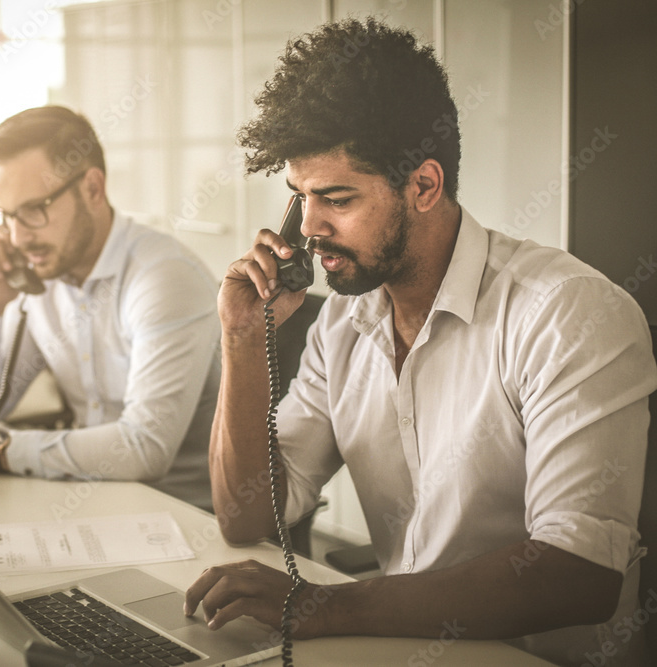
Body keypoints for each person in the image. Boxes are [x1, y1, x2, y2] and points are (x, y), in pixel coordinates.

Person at [182, 18, 657, 667]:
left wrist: (321, 606)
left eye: (336, 198)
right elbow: (245, 517)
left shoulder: (568, 313)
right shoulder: (342, 325)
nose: (309, 229)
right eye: (300, 197)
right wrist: (239, 337)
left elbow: (576, 572)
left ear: (424, 186)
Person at [0, 105, 220, 510]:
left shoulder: (163, 278)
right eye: (7, 216)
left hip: (188, 516)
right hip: (93, 497)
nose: (18, 238)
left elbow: (145, 448)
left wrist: (0, 448)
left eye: (35, 210)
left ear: (91, 188)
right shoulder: (44, 274)